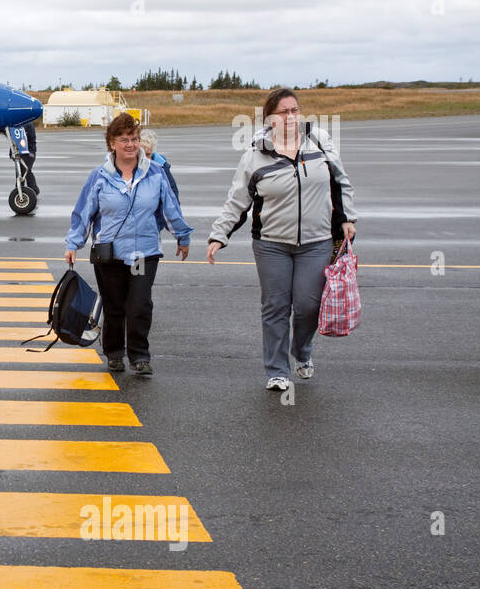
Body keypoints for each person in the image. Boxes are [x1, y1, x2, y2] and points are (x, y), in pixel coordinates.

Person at [206, 88, 358, 391]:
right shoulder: (254, 155)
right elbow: (238, 201)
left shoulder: (319, 143)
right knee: (275, 306)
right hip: (271, 244)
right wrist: (218, 235)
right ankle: (277, 370)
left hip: (317, 241)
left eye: (295, 111)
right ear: (270, 118)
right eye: (284, 112)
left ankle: (302, 352)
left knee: (308, 305)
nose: (291, 117)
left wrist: (346, 218)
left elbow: (340, 182)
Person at [63, 112, 191, 376]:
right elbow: (83, 212)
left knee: (139, 304)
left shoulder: (155, 173)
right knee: (114, 306)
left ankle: (139, 355)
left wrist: (182, 235)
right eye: (124, 140)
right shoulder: (98, 176)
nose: (130, 145)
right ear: (112, 144)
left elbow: (170, 208)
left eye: (134, 139)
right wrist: (73, 243)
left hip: (144, 253)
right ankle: (113, 353)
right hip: (110, 254)